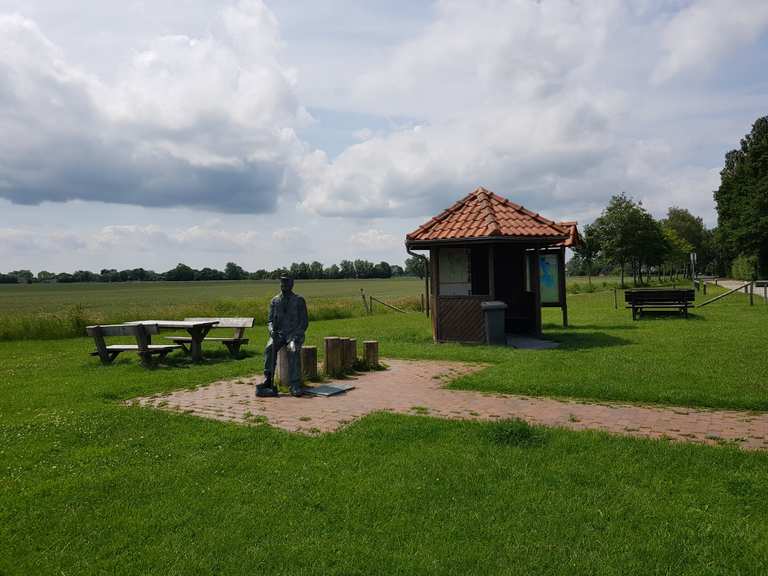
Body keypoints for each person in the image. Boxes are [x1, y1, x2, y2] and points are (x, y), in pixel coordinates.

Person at [256, 276, 309, 397]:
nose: (284, 286)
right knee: (269, 349)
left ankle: (295, 384)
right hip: (279, 334)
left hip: (293, 334)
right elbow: (269, 321)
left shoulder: (299, 300)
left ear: (292, 285)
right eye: (282, 284)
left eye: (287, 283)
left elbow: (304, 322)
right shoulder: (275, 301)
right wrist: (271, 331)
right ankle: (268, 379)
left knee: (293, 349)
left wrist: (296, 335)